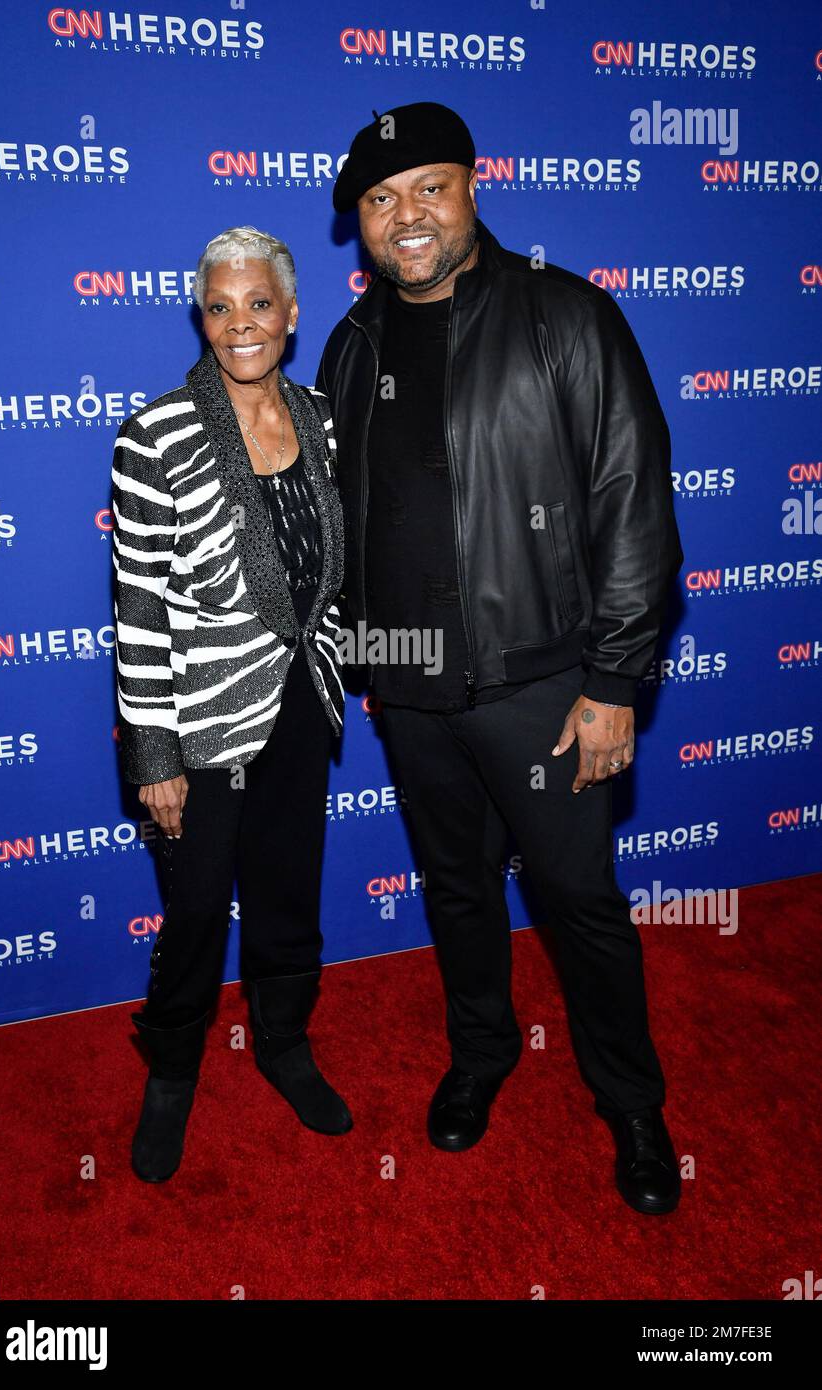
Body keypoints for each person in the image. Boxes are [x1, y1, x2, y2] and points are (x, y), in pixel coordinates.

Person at [317, 103, 685, 1215]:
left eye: (426, 186)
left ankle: (629, 1102)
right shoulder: (352, 342)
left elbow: (632, 501)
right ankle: (481, 1055)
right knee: (457, 893)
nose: (405, 216)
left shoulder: (562, 314)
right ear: (363, 227)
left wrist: (613, 679)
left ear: (472, 186)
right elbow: (343, 518)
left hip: (541, 683)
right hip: (410, 684)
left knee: (578, 900)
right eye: (380, 201)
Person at [112, 225, 351, 1183]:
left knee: (290, 892)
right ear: (201, 319)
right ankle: (171, 1072)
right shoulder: (158, 434)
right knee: (199, 909)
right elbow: (136, 603)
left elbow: (335, 567)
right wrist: (154, 753)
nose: (240, 323)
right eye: (221, 306)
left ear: (291, 316)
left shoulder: (325, 417)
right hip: (203, 715)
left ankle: (285, 1044)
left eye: (259, 304)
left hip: (304, 698)